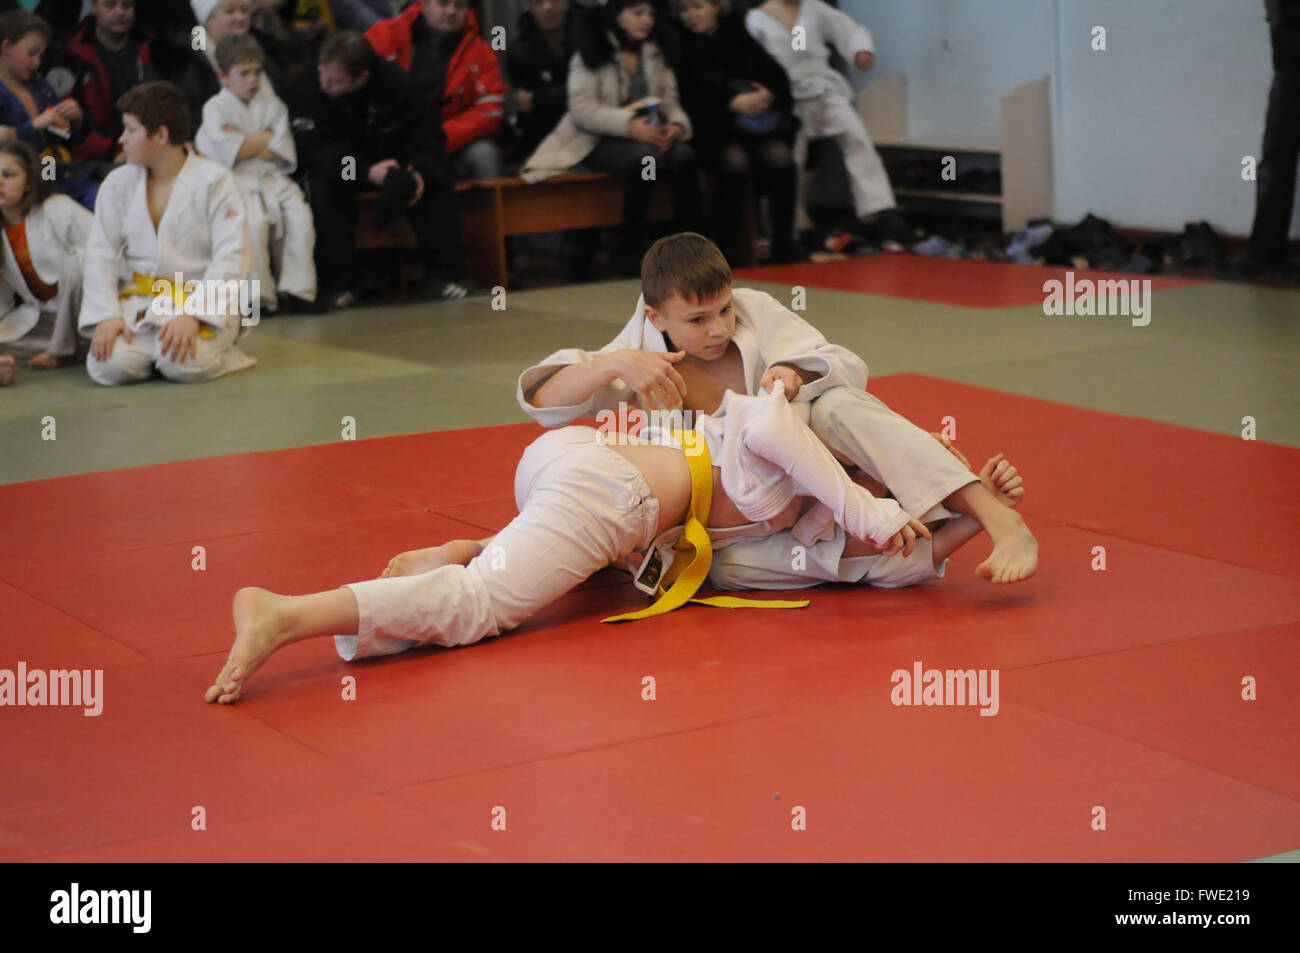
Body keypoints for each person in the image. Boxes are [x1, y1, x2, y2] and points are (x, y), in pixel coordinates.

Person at [205, 363, 992, 703]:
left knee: (571, 567)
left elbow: (891, 570)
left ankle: (473, 547)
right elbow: (776, 432)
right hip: (608, 490)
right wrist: (878, 511)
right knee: (483, 608)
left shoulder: (824, 518)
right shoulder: (799, 437)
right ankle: (285, 613)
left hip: (582, 474)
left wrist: (966, 519)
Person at [518, 231, 1038, 585]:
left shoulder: (755, 312)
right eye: (697, 320)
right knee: (722, 572)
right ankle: (948, 532)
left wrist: (796, 372)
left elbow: (845, 364)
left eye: (723, 310)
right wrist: (616, 365)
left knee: (835, 403)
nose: (719, 328)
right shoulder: (636, 360)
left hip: (820, 466)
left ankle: (996, 518)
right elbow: (541, 399)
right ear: (656, 316)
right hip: (753, 516)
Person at [78, 80, 257, 385]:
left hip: (202, 302)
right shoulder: (118, 184)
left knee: (181, 364)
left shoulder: (215, 182)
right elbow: (101, 253)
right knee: (108, 367)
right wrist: (107, 316)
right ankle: (155, 352)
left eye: (130, 130)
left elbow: (233, 256)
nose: (122, 139)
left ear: (160, 135)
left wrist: (194, 314)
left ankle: (226, 352)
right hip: (143, 303)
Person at [522, 0, 702, 276]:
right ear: (618, 16)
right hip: (596, 138)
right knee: (645, 160)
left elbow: (670, 100)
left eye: (651, 13)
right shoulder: (592, 50)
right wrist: (629, 126)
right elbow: (582, 111)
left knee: (685, 156)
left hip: (649, 133)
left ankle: (692, 249)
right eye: (637, 13)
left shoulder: (655, 50)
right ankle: (632, 249)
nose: (647, 20)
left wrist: (676, 126)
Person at [293, 30, 468, 307]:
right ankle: (341, 284)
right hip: (343, 169)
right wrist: (366, 171)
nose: (325, 83)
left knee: (437, 183)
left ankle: (444, 277)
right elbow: (312, 150)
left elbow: (428, 136)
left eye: (336, 80)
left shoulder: (398, 85)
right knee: (322, 188)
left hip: (393, 165)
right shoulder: (307, 87)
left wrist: (417, 170)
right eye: (322, 73)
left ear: (361, 77)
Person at [745, 0, 910, 243]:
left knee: (857, 138)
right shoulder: (756, 19)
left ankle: (879, 209)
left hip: (824, 90)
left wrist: (860, 51)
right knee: (793, 161)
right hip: (786, 97)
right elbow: (747, 60)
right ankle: (786, 226)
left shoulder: (815, 9)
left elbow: (849, 30)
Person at [673, 0, 801, 264]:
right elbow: (687, 94)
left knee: (782, 159)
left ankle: (783, 245)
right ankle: (728, 250)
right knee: (734, 162)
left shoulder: (738, 34)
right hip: (710, 131)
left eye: (697, 7)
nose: (690, 15)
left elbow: (775, 75)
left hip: (752, 126)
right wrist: (728, 103)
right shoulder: (678, 43)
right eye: (684, 9)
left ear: (716, 7)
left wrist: (768, 95)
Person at [196, 32, 316, 311]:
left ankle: (298, 292)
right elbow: (230, 152)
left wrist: (243, 140)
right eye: (244, 73)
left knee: (301, 220)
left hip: (273, 178)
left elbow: (280, 148)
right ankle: (257, 298)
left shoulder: (273, 105)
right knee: (252, 225)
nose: (253, 79)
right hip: (235, 181)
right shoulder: (214, 107)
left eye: (257, 72)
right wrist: (263, 138)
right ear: (223, 75)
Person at [366, 0, 507, 181]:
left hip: (449, 146)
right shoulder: (385, 35)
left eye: (460, 5)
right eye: (443, 3)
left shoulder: (481, 52)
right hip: (389, 145)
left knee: (484, 155)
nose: (451, 11)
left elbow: (491, 111)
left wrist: (437, 139)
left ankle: (495, 209)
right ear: (424, 5)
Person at [0, 140, 93, 384]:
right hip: (47, 320)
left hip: (89, 310)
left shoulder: (58, 208)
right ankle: (77, 349)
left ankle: (64, 350)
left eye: (8, 175)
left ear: (30, 181)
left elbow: (104, 253)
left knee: (79, 260)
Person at [0, 10, 99, 210]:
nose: (38, 62)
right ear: (7, 46)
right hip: (12, 183)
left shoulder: (40, 86)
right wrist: (34, 125)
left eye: (41, 55)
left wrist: (75, 119)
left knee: (99, 198)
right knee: (55, 207)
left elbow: (63, 137)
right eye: (31, 53)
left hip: (50, 167)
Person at [1230, 0, 1299, 277]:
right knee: (1275, 161)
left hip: (1288, 65)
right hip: (1289, 68)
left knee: (1275, 162)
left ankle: (1264, 253)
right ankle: (1264, 253)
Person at [64, 0, 162, 165]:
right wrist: (117, 151)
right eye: (110, 5)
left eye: (127, 5)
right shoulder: (70, 57)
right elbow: (69, 132)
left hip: (150, 149)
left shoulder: (155, 49)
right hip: (94, 160)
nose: (120, 12)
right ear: (93, 7)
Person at [506, 0, 579, 160]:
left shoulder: (589, 38)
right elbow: (525, 106)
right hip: (542, 133)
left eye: (555, 0)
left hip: (586, 124)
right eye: (538, 2)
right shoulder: (519, 51)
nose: (548, 7)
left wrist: (540, 97)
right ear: (530, 6)